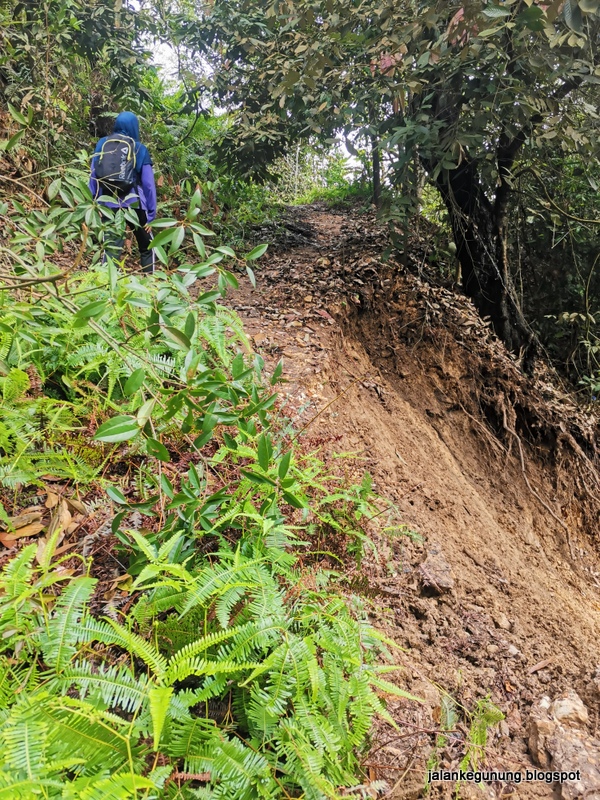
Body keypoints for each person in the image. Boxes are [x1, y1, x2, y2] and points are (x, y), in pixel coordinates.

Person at [89, 111, 157, 273]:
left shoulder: (102, 143)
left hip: (108, 203)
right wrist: (151, 215)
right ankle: (151, 282)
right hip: (135, 204)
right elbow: (148, 184)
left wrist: (95, 203)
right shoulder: (139, 148)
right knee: (147, 247)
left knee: (111, 248)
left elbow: (93, 175)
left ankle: (106, 282)